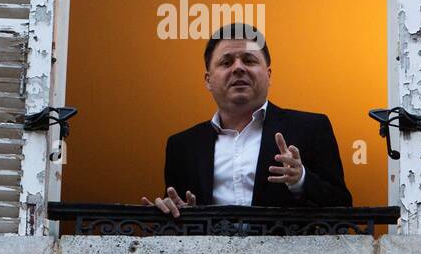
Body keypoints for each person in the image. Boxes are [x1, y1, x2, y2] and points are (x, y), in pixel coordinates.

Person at [142, 23, 352, 216]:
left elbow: (343, 207)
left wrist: (301, 180)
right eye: (226, 62)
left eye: (249, 60)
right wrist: (176, 216)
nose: (238, 68)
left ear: (269, 74)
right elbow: (178, 216)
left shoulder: (311, 129)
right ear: (208, 80)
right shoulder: (182, 146)